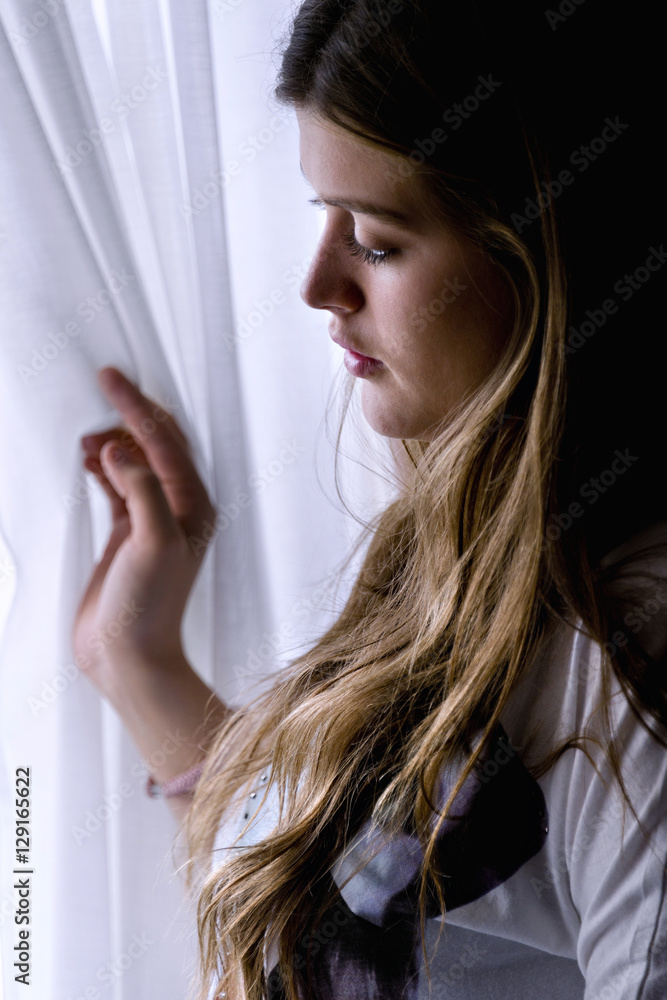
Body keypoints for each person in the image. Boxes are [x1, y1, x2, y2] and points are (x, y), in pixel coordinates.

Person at [73, 1, 667, 998]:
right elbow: (333, 894)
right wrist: (133, 662)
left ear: (550, 253)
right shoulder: (459, 560)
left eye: (379, 242)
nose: (316, 285)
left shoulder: (631, 658)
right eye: (325, 218)